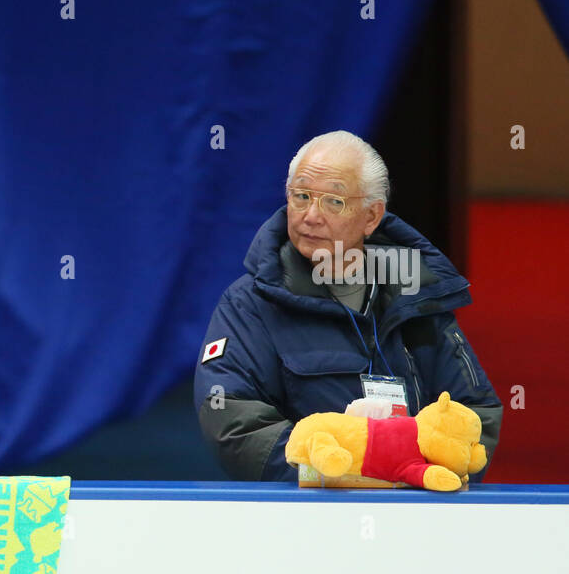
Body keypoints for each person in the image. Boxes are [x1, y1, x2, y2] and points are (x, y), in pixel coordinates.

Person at [194, 130, 502, 481]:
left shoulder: (416, 295)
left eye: (333, 202)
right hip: (304, 509)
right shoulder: (250, 302)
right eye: (301, 196)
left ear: (372, 217)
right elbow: (231, 418)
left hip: (413, 506)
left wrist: (409, 467)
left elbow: (476, 411)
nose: (311, 215)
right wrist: (339, 467)